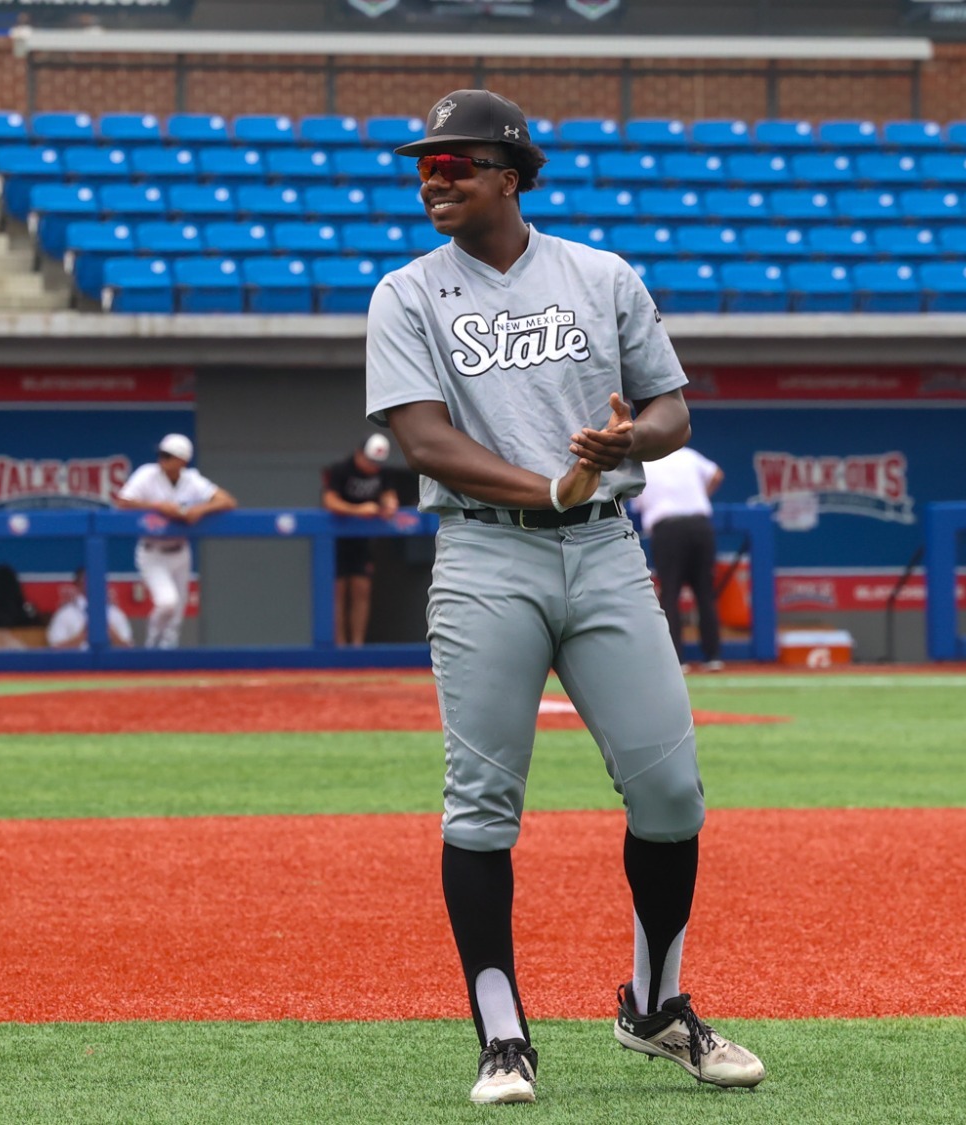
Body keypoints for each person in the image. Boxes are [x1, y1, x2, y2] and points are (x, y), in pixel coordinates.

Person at [368, 88, 764, 1106]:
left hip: (601, 551)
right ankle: (503, 1036)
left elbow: (670, 405)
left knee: (670, 792)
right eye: (424, 163)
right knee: (482, 807)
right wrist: (544, 483)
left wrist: (633, 440)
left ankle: (654, 1007)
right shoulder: (406, 291)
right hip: (484, 554)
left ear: (508, 172)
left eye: (454, 163)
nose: (433, 177)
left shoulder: (599, 274)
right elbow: (422, 441)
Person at [113, 433, 236, 649]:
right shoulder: (147, 474)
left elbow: (227, 501)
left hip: (180, 551)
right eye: (161, 454)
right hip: (152, 551)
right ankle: (152, 646)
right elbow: (122, 502)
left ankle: (168, 659)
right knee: (166, 603)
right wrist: (158, 506)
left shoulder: (191, 480)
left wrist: (200, 509)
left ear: (182, 461)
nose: (162, 458)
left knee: (177, 614)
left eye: (168, 455)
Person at [630, 445, 726, 671]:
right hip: (699, 524)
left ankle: (677, 660)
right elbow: (717, 474)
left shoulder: (642, 463)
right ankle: (712, 657)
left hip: (668, 529)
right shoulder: (687, 455)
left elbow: (635, 502)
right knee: (704, 592)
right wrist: (700, 495)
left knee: (670, 593)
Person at [321, 433, 402, 646]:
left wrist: (389, 504)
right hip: (335, 539)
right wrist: (357, 510)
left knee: (361, 589)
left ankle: (357, 647)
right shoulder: (342, 469)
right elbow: (329, 501)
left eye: (377, 463)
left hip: (362, 541)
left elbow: (388, 494)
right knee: (337, 592)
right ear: (359, 454)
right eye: (369, 461)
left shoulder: (383, 473)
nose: (373, 467)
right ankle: (339, 646)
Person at [46, 568, 134, 649]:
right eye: (88, 580)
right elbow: (54, 648)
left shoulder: (115, 614)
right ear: (78, 584)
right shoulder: (65, 614)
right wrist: (81, 637)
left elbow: (129, 649)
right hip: (74, 664)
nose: (94, 584)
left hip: (108, 664)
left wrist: (112, 634)